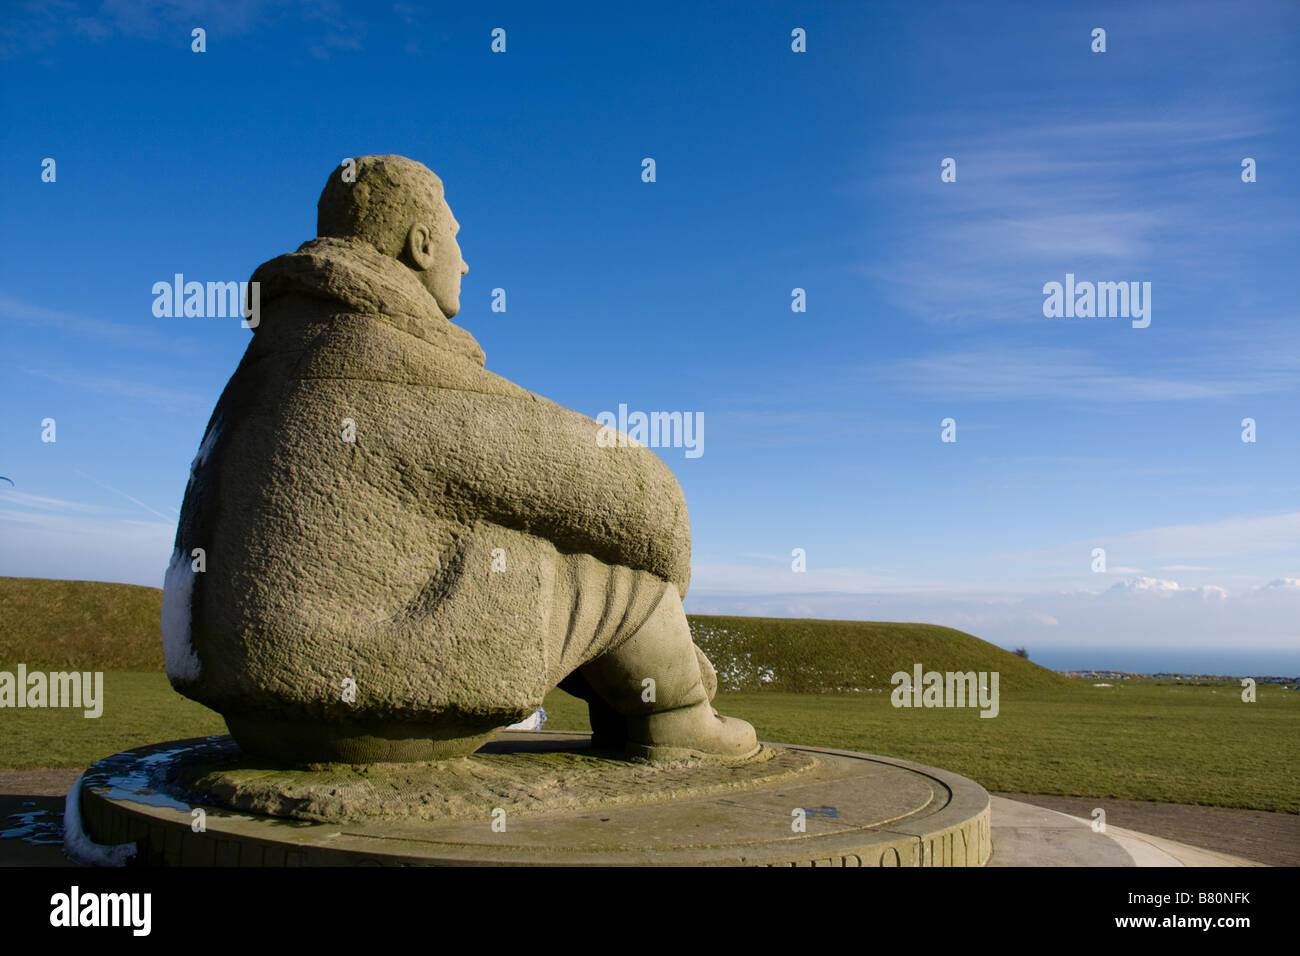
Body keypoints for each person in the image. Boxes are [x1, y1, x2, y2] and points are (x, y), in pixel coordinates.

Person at [163, 155, 758, 765]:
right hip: (358, 677)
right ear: (421, 246)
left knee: (522, 564)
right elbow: (640, 496)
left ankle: (623, 704)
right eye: (456, 238)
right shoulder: (381, 358)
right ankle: (677, 723)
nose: (466, 262)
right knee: (626, 594)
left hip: (252, 704)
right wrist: (665, 578)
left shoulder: (277, 358)